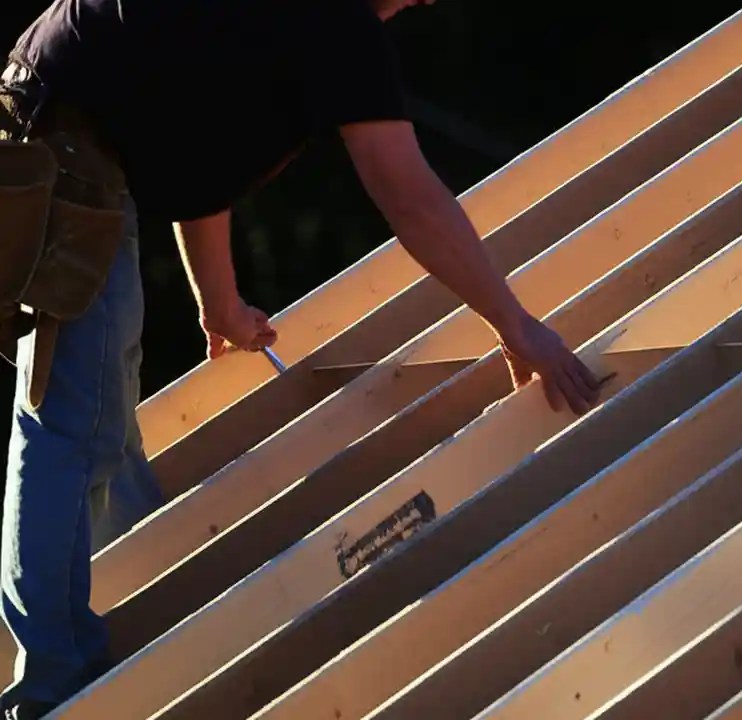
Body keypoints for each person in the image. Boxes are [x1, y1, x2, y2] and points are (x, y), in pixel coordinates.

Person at [0, 0, 602, 715]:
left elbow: (200, 146)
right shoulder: (338, 23)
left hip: (73, 120)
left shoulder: (294, 26)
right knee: (72, 421)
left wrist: (218, 300)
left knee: (103, 400)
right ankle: (55, 689)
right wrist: (516, 324)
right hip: (63, 131)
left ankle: (140, 599)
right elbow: (407, 194)